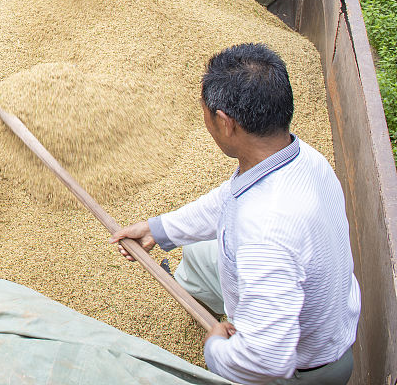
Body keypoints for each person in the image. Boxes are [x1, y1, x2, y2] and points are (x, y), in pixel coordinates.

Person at [111, 44, 359, 385]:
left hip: (302, 370)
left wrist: (216, 348)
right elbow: (228, 200)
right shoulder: (301, 157)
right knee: (198, 254)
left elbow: (266, 360)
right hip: (327, 321)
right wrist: (160, 229)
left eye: (207, 115)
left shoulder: (265, 231)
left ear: (225, 123)